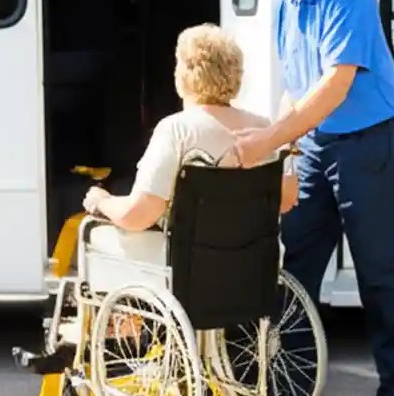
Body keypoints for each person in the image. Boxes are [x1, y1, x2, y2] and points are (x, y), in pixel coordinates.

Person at [232, 0, 394, 396]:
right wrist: (280, 148)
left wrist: (270, 138)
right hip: (320, 145)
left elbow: (335, 86)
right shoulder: (286, 0)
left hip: (371, 144)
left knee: (380, 270)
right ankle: (289, 385)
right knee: (296, 261)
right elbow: (298, 87)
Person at [82, 22, 298, 264]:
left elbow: (139, 215)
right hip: (249, 265)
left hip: (189, 267)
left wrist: (103, 201)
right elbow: (287, 199)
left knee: (91, 235)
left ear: (184, 75)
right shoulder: (262, 129)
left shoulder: (176, 130)